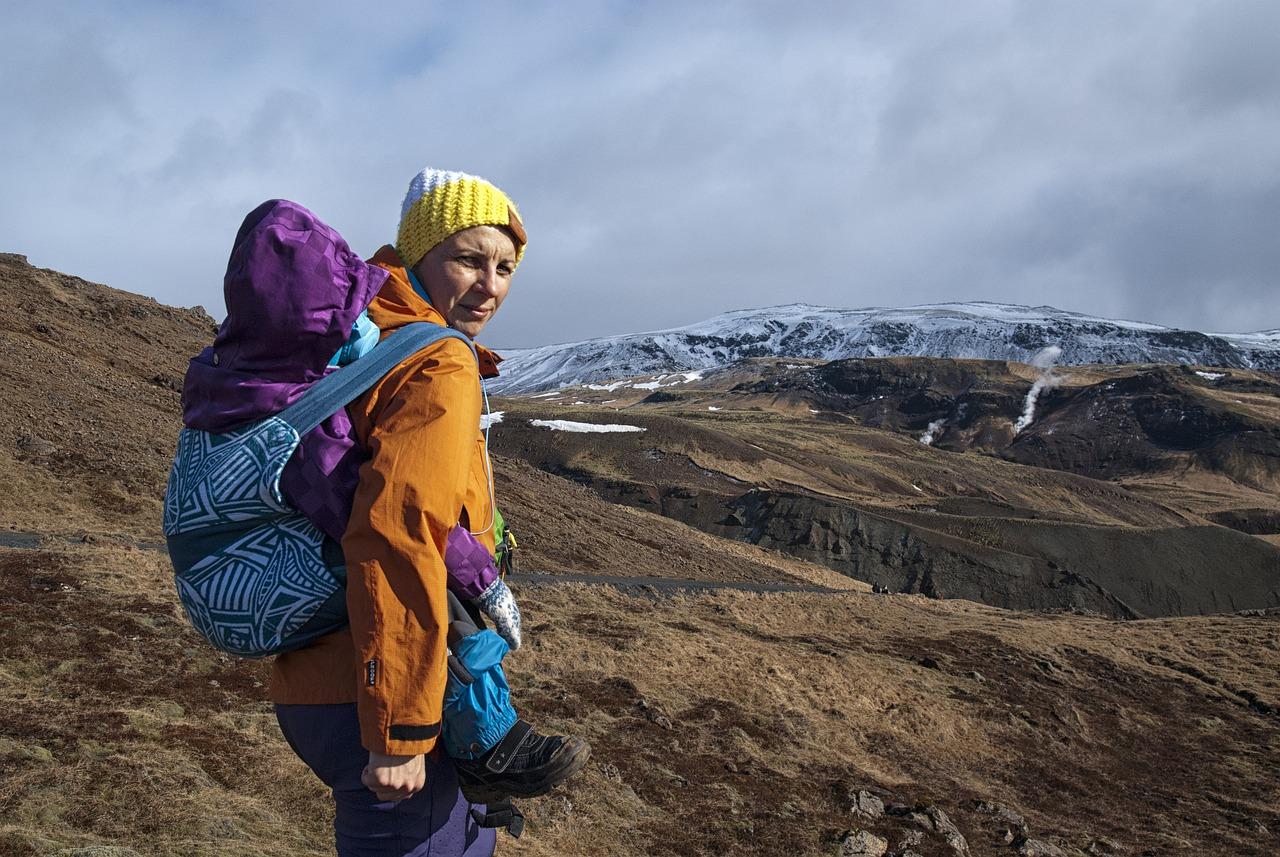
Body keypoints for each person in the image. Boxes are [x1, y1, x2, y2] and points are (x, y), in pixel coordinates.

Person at [266, 169, 588, 854]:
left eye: (505, 267)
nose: (490, 285)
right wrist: (400, 729)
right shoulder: (434, 360)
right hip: (385, 696)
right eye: (468, 259)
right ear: (418, 253)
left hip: (323, 677)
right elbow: (397, 535)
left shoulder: (366, 337)